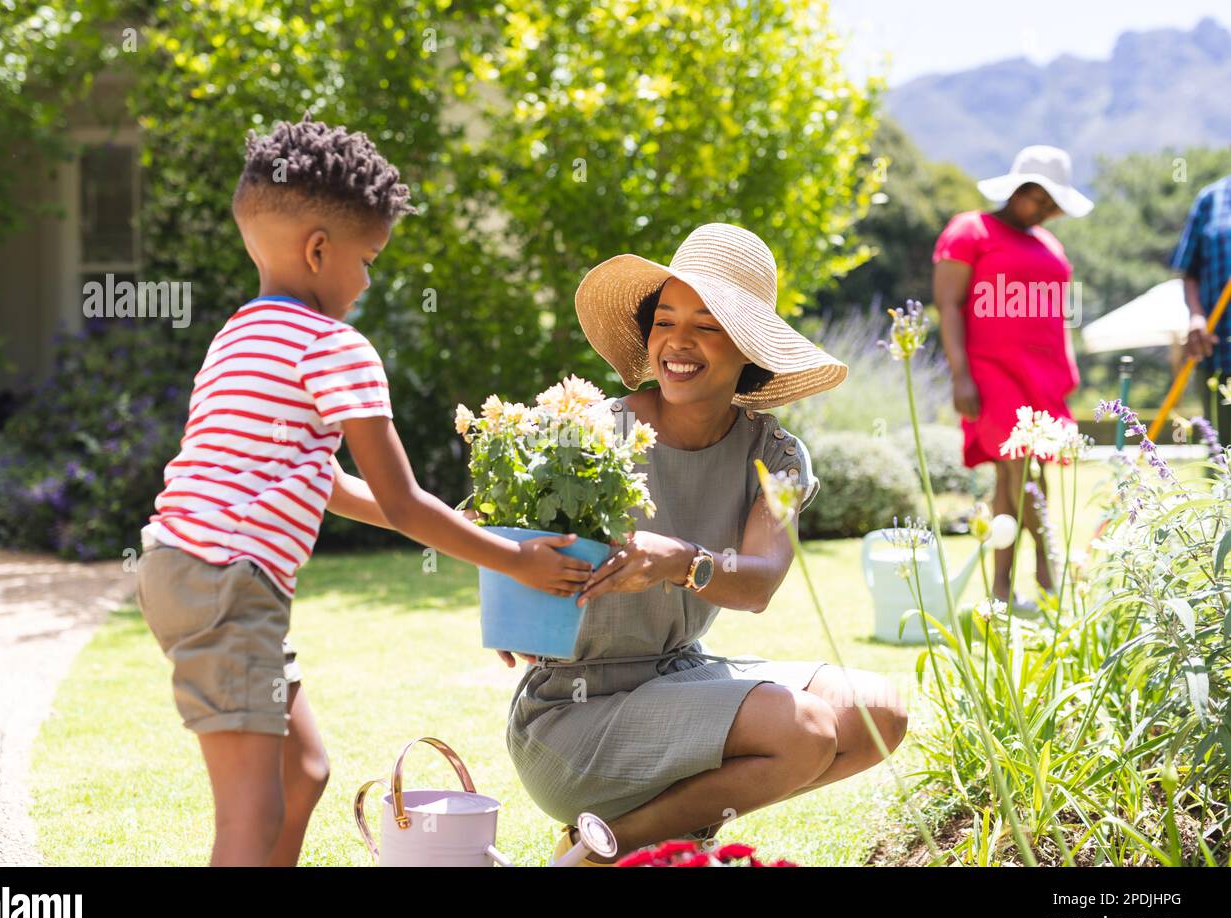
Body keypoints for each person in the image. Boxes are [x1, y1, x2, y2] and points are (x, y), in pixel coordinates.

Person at [135, 113, 592, 866]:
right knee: (247, 820)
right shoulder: (334, 346)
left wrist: (456, 522)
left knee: (303, 768)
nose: (370, 278)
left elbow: (325, 482)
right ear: (320, 250)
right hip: (229, 582)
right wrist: (513, 561)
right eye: (369, 258)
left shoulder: (239, 335)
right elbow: (405, 499)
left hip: (185, 568)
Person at [493, 223, 909, 864]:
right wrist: (508, 597)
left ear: (750, 347)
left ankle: (644, 834)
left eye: (708, 325)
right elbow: (494, 525)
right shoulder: (595, 433)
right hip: (574, 712)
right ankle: (604, 848)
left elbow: (761, 580)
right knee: (801, 729)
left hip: (679, 676)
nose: (678, 343)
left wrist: (682, 562)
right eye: (665, 320)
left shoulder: (774, 454)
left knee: (881, 710)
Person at [932, 145, 1093, 609]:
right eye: (1040, 200)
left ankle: (1005, 589)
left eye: (1053, 205)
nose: (1047, 211)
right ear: (1018, 189)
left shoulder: (1050, 244)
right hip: (991, 373)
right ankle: (1046, 574)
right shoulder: (971, 231)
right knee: (1020, 467)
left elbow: (1058, 314)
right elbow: (948, 305)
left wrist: (1067, 365)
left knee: (1019, 475)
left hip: (1042, 377)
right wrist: (961, 375)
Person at [1173, 173, 1231, 445]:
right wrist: (1196, 316)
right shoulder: (1211, 199)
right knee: (1221, 457)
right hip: (1217, 352)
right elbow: (1189, 271)